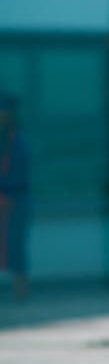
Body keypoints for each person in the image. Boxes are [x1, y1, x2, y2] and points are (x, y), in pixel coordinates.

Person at [0, 93, 31, 301]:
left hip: (16, 201)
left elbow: (18, 177)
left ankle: (21, 294)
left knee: (16, 247)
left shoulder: (18, 141)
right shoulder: (6, 140)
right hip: (7, 199)